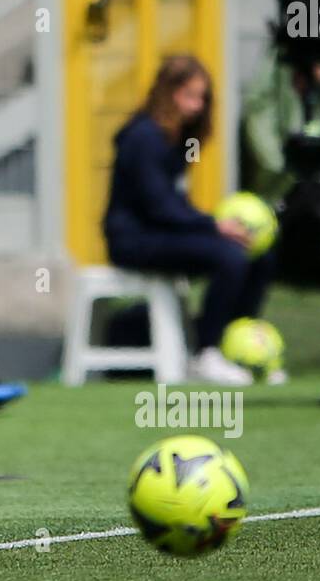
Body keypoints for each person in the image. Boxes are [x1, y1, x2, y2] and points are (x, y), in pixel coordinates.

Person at [102, 55, 272, 385]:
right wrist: (214, 225)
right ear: (168, 93)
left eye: (202, 98)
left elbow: (176, 206)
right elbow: (159, 208)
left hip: (162, 233)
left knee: (258, 256)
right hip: (134, 240)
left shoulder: (178, 139)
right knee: (230, 258)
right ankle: (205, 352)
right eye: (189, 96)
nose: (196, 106)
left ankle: (232, 340)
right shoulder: (143, 137)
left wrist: (212, 227)